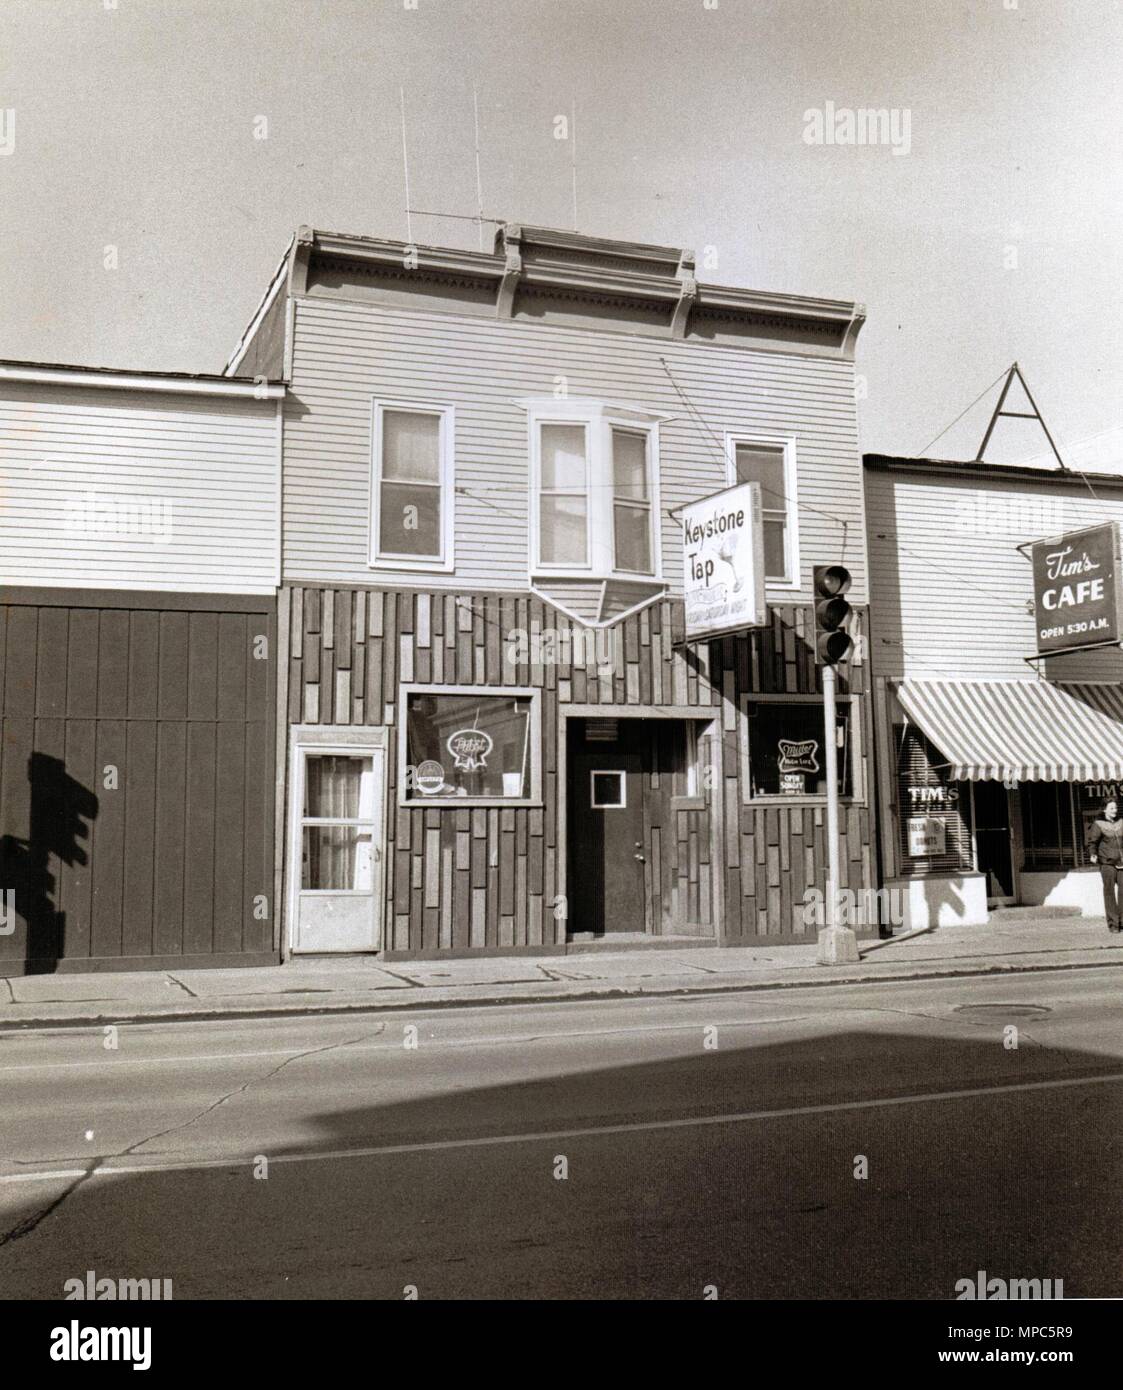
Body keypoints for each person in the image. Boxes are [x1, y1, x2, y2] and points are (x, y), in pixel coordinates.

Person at [1087, 798, 1123, 933]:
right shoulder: (1098, 824)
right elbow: (1092, 842)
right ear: (1104, 809)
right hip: (1107, 863)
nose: (1115, 810)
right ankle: (1114, 925)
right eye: (1112, 808)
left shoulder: (1121, 822)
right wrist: (1093, 854)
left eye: (1116, 808)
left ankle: (1122, 922)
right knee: (1109, 893)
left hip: (1121, 862)